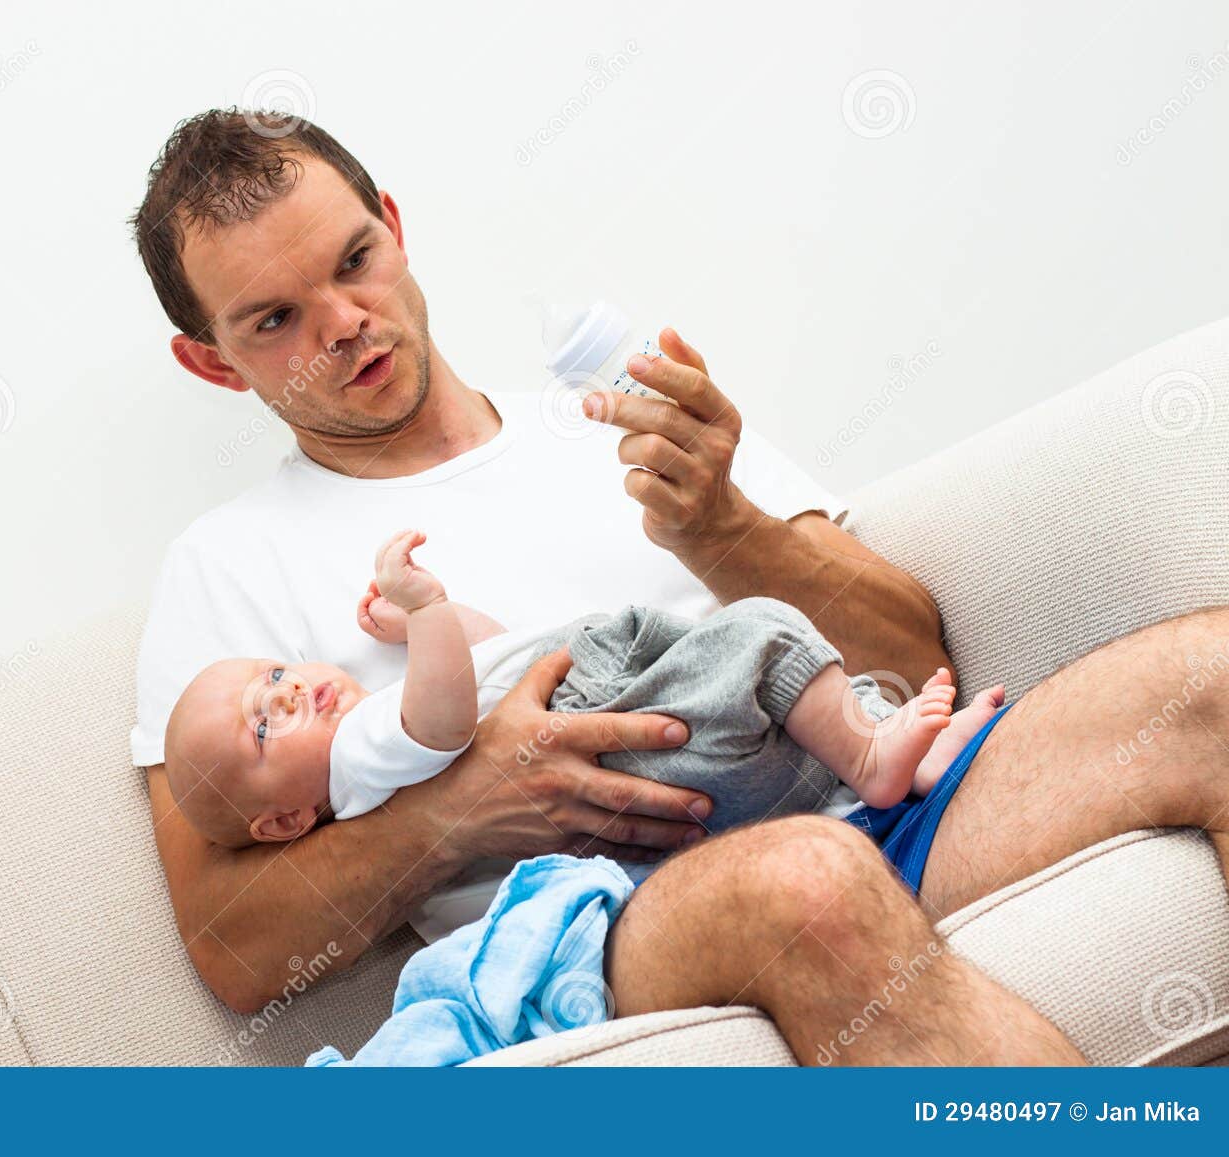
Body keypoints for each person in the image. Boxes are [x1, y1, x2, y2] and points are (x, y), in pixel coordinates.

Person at [127, 108, 1225, 1065]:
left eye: (353, 259)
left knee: (1212, 681)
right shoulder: (227, 568)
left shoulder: (614, 419)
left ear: (396, 227)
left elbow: (910, 651)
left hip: (875, 788)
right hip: (626, 910)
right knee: (806, 879)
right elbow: (232, 944)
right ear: (212, 361)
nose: (342, 321)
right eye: (274, 319)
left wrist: (723, 528)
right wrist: (463, 807)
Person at [162, 525, 992, 853]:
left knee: (763, 675)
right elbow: (443, 722)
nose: (285, 695)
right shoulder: (359, 756)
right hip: (616, 726)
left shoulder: (366, 738)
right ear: (285, 820)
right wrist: (425, 612)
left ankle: (893, 758)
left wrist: (438, 628)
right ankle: (877, 759)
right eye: (262, 729)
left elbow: (505, 656)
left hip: (613, 688)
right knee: (760, 634)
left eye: (273, 675)